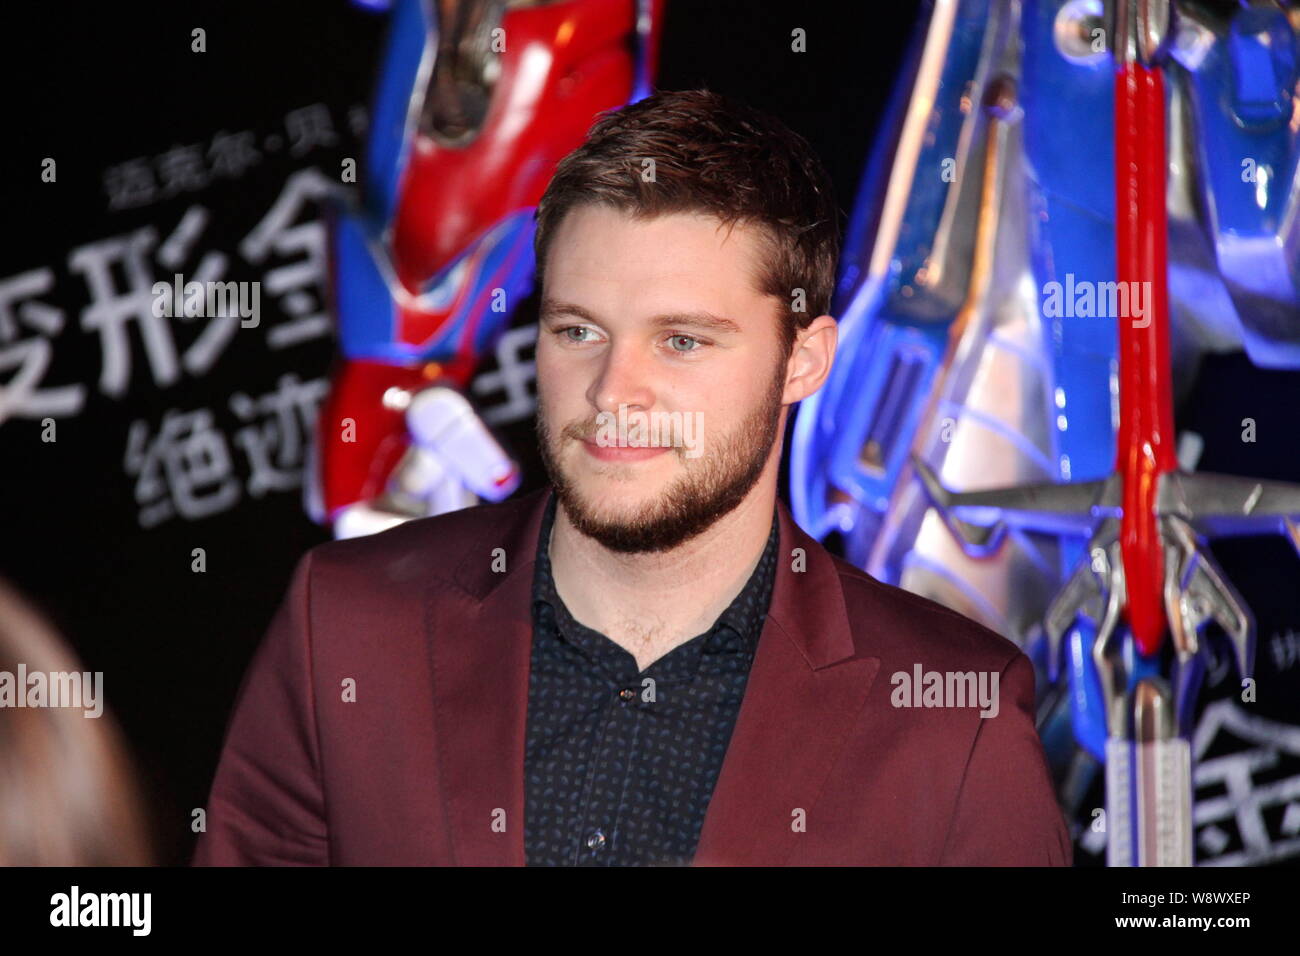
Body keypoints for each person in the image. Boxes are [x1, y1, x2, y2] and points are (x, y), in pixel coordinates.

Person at [193, 88, 1071, 866]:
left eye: (681, 341)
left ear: (804, 362)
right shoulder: (345, 625)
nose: (614, 390)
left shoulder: (955, 717)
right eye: (578, 331)